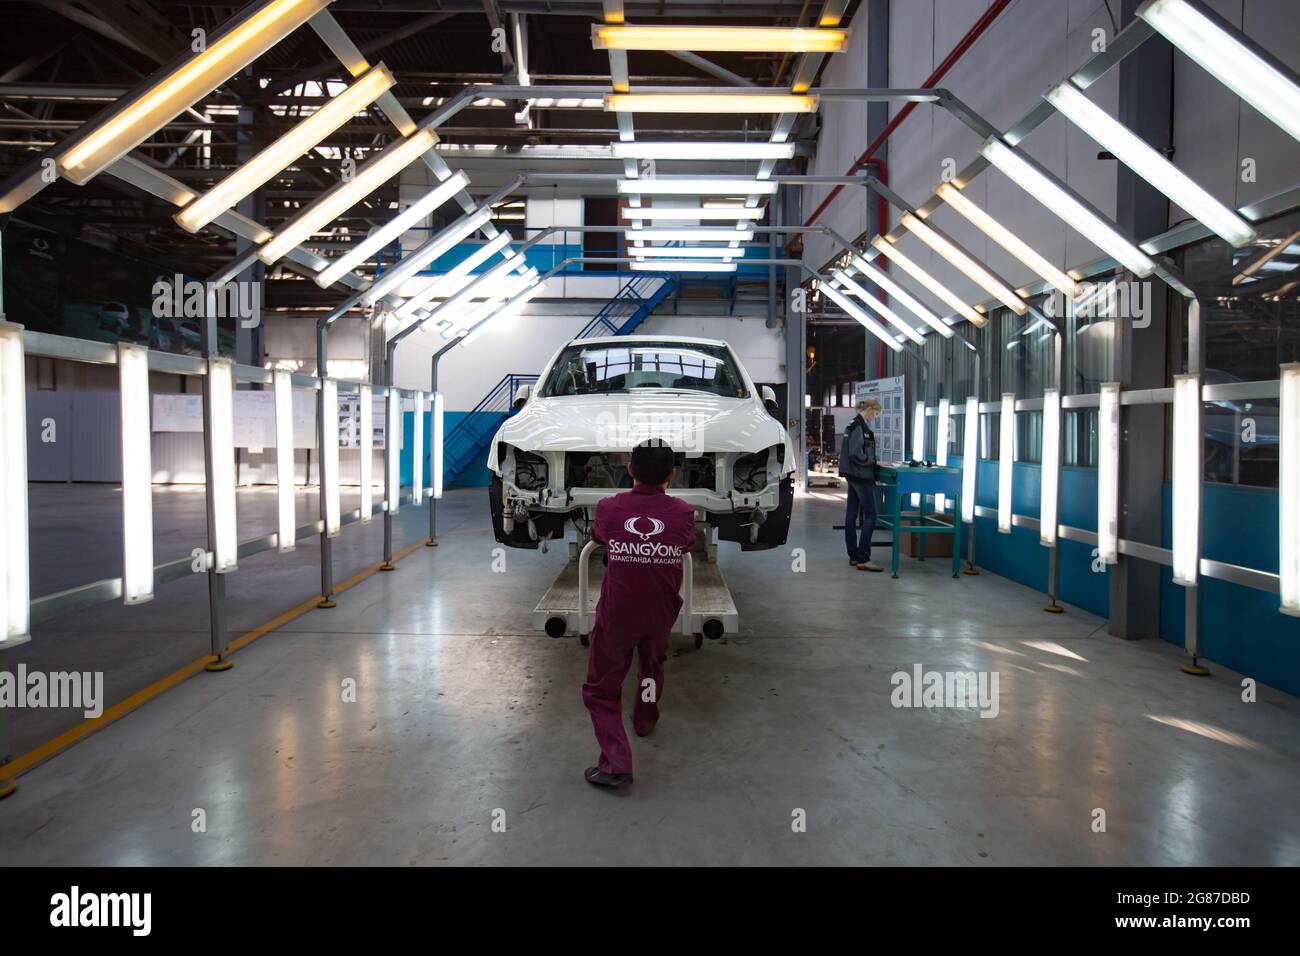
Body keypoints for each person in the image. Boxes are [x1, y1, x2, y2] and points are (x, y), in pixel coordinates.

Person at [581, 439, 696, 788]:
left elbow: (599, 536)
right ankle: (645, 718)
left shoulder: (610, 508)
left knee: (602, 688)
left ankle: (616, 763)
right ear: (672, 475)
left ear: (629, 470)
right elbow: (687, 543)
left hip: (618, 615)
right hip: (660, 613)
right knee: (650, 668)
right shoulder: (683, 513)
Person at [840, 398, 883, 572]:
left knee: (851, 515)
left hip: (853, 476)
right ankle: (863, 558)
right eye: (876, 413)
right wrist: (872, 461)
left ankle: (854, 556)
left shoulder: (853, 424)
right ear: (870, 409)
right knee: (871, 515)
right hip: (861, 476)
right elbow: (856, 453)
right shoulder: (859, 426)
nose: (876, 417)